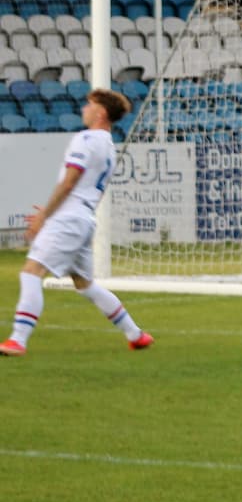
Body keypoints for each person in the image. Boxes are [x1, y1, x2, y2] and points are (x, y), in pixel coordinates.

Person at [1, 89, 154, 357]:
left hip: (69, 219)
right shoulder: (107, 145)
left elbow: (70, 181)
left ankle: (18, 340)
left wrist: (45, 216)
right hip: (83, 218)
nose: (84, 108)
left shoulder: (86, 139)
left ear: (101, 112)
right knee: (85, 285)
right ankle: (136, 335)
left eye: (89, 104)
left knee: (31, 272)